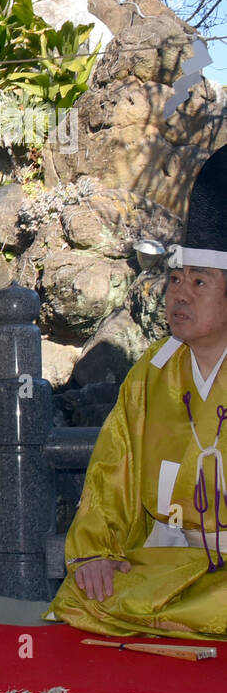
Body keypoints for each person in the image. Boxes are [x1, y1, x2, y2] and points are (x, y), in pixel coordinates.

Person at [48, 144, 227, 638]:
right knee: (89, 592)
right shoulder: (154, 369)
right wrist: (96, 552)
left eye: (199, 281)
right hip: (166, 558)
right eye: (174, 280)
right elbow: (115, 469)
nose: (179, 294)